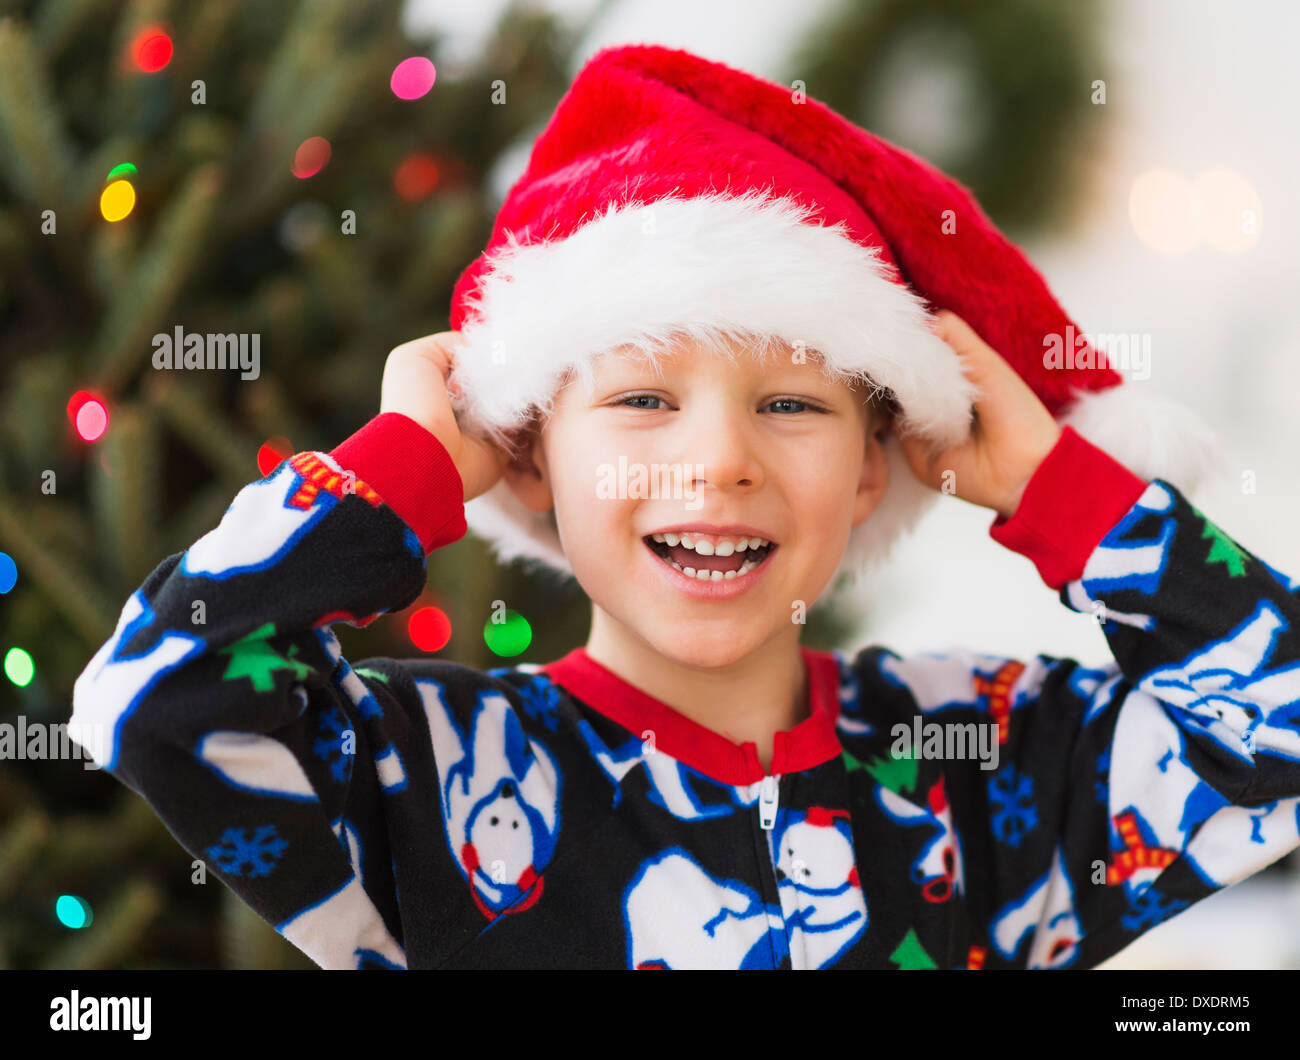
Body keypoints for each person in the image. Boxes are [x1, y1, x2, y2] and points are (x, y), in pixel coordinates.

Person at [70, 43, 1300, 970]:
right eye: (645, 399)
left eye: (793, 407)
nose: (717, 463)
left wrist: (1056, 492)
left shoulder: (974, 758)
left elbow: (1278, 731)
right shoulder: (421, 772)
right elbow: (155, 697)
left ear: (876, 465)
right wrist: (404, 464)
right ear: (528, 456)